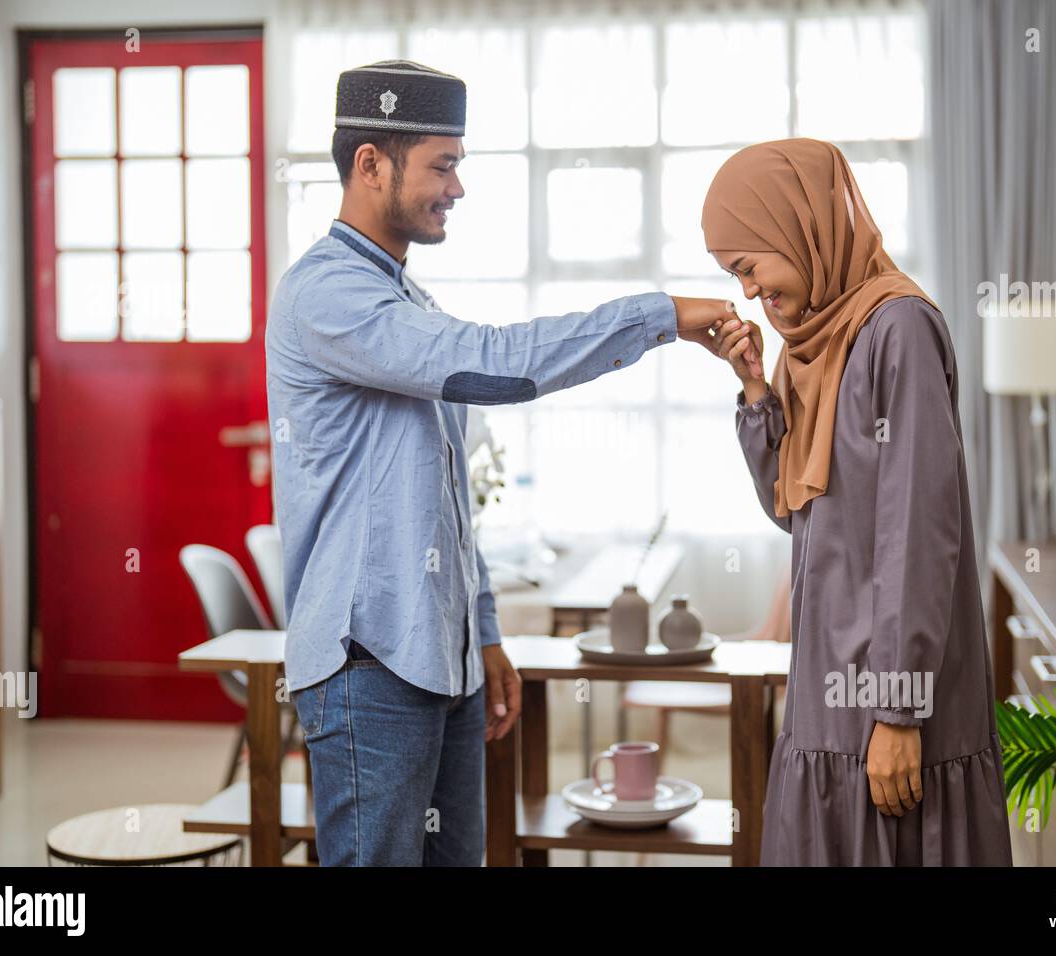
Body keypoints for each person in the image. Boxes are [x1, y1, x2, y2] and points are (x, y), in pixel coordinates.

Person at [265, 59, 739, 866]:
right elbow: (498, 362)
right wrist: (660, 315)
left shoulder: (406, 302)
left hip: (436, 664)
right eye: (442, 166)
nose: (457, 187)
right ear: (370, 164)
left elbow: (447, 498)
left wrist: (480, 634)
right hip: (367, 667)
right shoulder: (326, 296)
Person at [701, 138, 1013, 865]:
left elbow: (919, 535)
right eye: (731, 276)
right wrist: (754, 389)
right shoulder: (808, 348)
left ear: (798, 227)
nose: (748, 291)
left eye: (749, 266)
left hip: (892, 691)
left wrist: (899, 713)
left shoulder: (897, 329)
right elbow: (792, 512)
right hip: (826, 688)